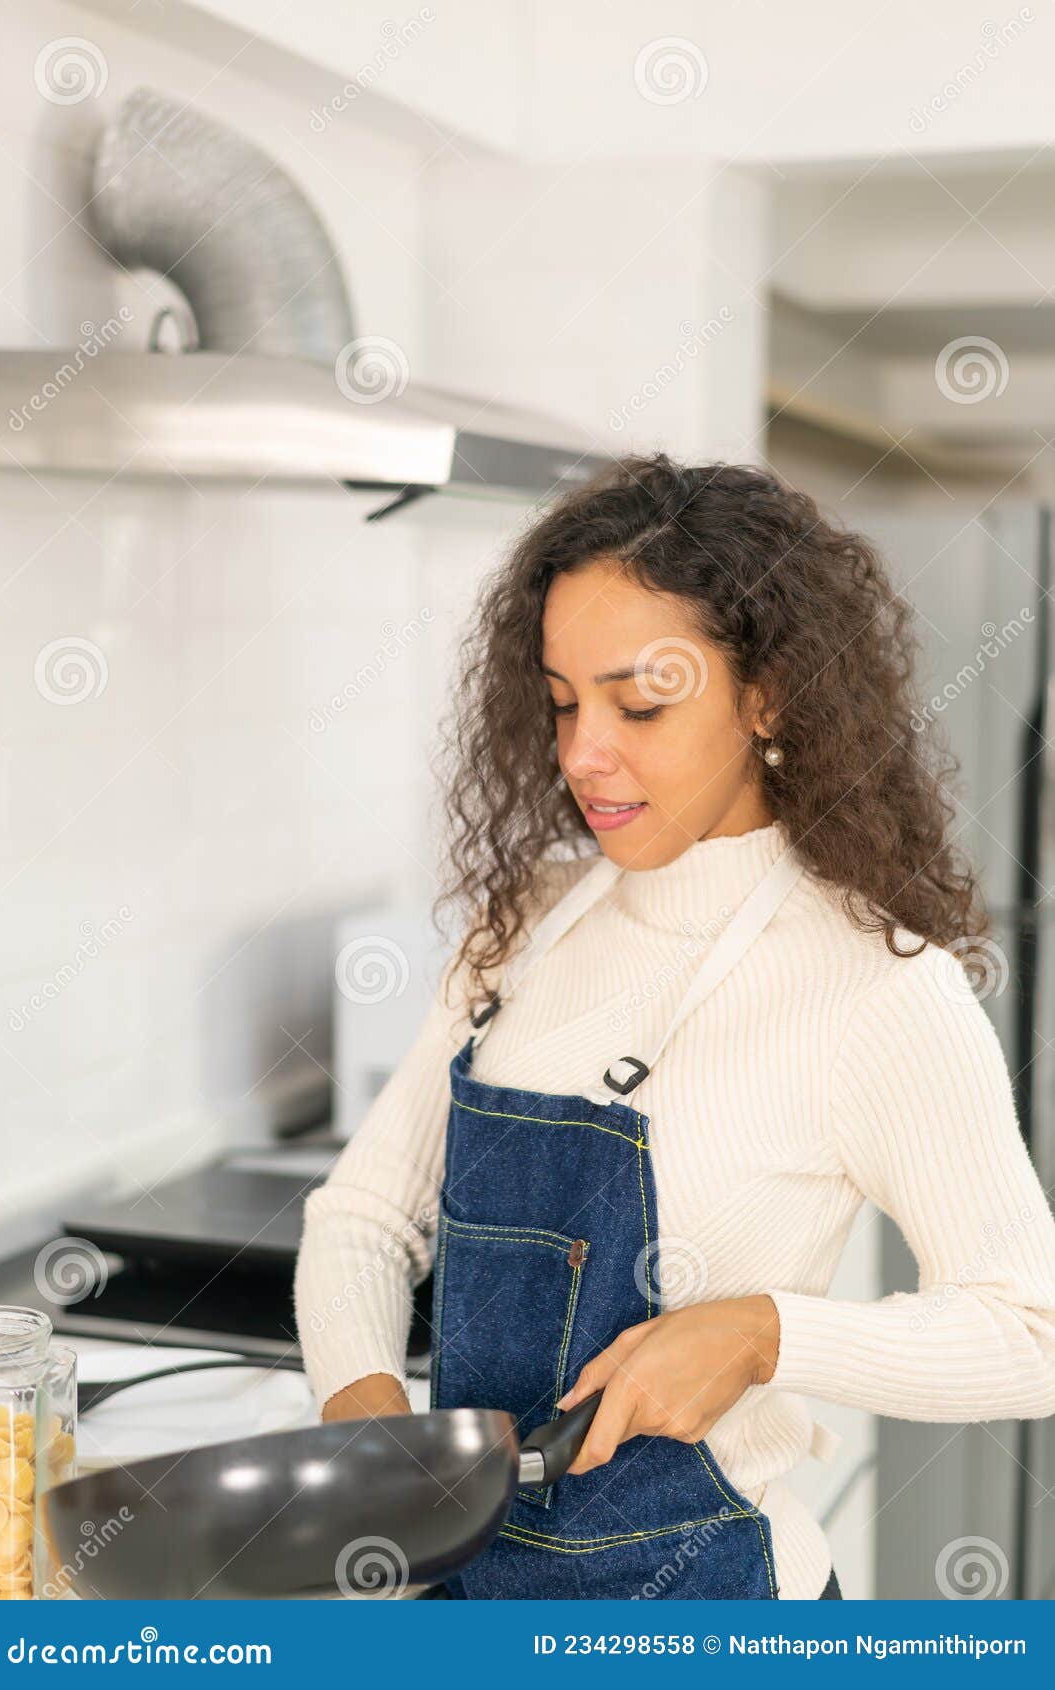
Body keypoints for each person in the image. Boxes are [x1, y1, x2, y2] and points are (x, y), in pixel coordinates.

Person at [294, 454, 1055, 1600]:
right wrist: (370, 1431)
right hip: (465, 1601)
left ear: (767, 695)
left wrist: (762, 1334)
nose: (582, 753)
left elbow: (1030, 1330)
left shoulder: (874, 989)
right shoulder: (525, 926)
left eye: (639, 702)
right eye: (560, 702)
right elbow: (358, 1219)